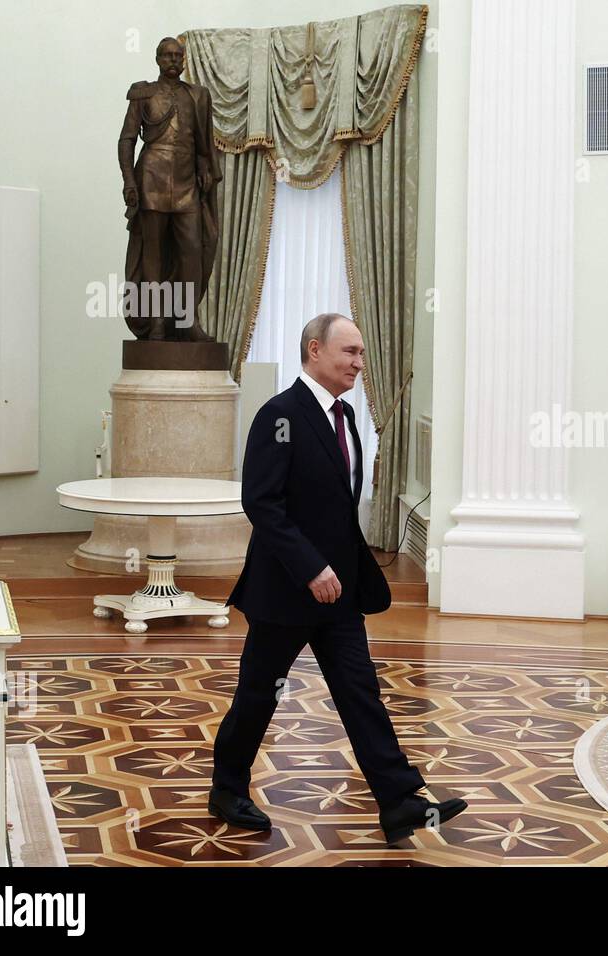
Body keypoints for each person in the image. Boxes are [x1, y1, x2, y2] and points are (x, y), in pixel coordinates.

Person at [210, 313, 467, 844]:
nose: (358, 363)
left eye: (362, 354)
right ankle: (227, 788)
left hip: (339, 593)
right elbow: (261, 503)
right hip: (285, 590)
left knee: (360, 691)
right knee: (259, 695)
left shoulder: (346, 417)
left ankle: (398, 800)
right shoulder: (279, 415)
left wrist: (341, 572)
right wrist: (310, 568)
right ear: (314, 350)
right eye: (349, 352)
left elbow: (338, 508)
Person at [118, 36, 219, 341]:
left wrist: (204, 166)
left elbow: (203, 144)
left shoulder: (198, 96)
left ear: (184, 60)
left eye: (178, 56)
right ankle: (156, 321)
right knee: (153, 255)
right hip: (152, 177)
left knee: (192, 250)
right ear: (158, 59)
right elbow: (127, 140)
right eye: (167, 56)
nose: (173, 60)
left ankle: (187, 320)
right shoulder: (142, 93)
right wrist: (129, 180)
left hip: (187, 182)